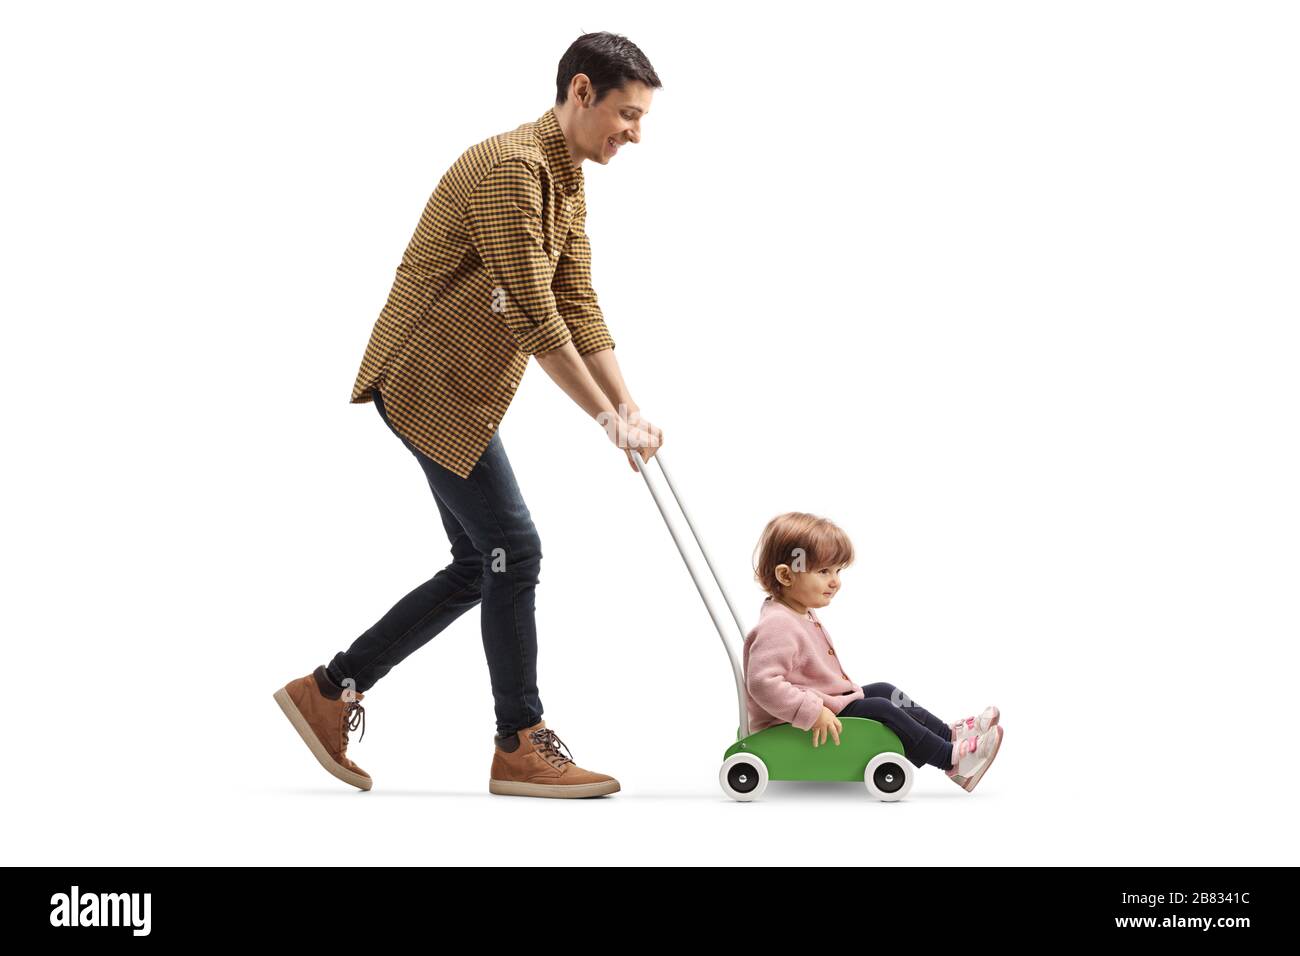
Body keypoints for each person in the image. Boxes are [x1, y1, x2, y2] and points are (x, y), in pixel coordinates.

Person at [273, 32, 664, 799]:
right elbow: (532, 316)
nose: (634, 134)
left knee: (479, 563)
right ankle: (518, 740)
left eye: (642, 118)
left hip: (462, 387)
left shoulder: (565, 172)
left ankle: (329, 690)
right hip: (426, 380)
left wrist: (628, 405)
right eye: (626, 114)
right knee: (513, 551)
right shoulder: (512, 170)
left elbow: (576, 299)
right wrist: (602, 419)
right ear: (580, 92)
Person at [742, 512, 1005, 792]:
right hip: (795, 717)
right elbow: (763, 683)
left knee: (883, 690)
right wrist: (811, 711)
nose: (835, 581)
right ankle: (950, 760)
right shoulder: (778, 625)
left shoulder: (798, 612)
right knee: (880, 708)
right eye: (823, 572)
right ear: (786, 575)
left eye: (837, 571)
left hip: (827, 699)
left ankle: (947, 734)